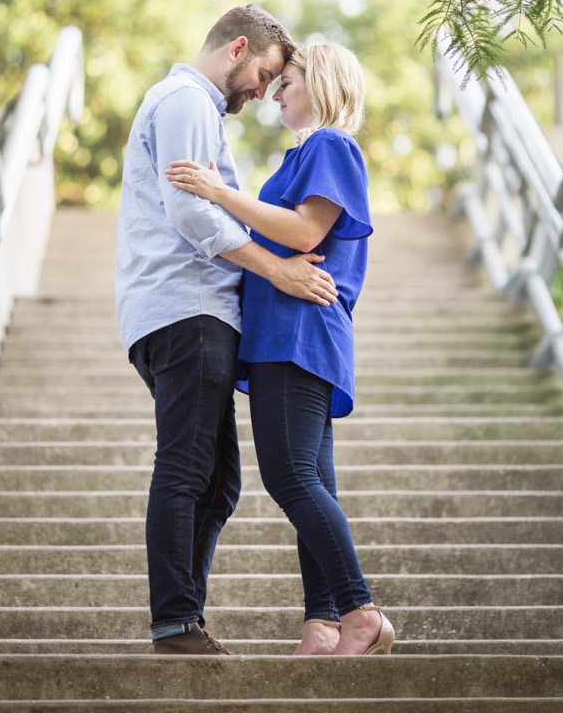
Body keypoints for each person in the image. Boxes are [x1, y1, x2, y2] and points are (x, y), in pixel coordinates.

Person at [115, 5, 339, 657]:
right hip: (188, 312)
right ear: (238, 47)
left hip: (191, 314)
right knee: (188, 468)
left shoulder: (197, 109)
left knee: (219, 483)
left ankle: (185, 618)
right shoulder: (186, 99)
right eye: (264, 74)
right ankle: (174, 623)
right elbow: (193, 217)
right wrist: (279, 270)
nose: (262, 92)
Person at [166, 42, 395, 657]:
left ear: (319, 81)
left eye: (285, 80)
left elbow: (303, 231)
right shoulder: (306, 152)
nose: (273, 92)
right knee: (311, 478)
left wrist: (219, 192)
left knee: (290, 475)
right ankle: (322, 624)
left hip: (298, 334)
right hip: (290, 334)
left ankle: (359, 609)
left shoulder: (331, 145)